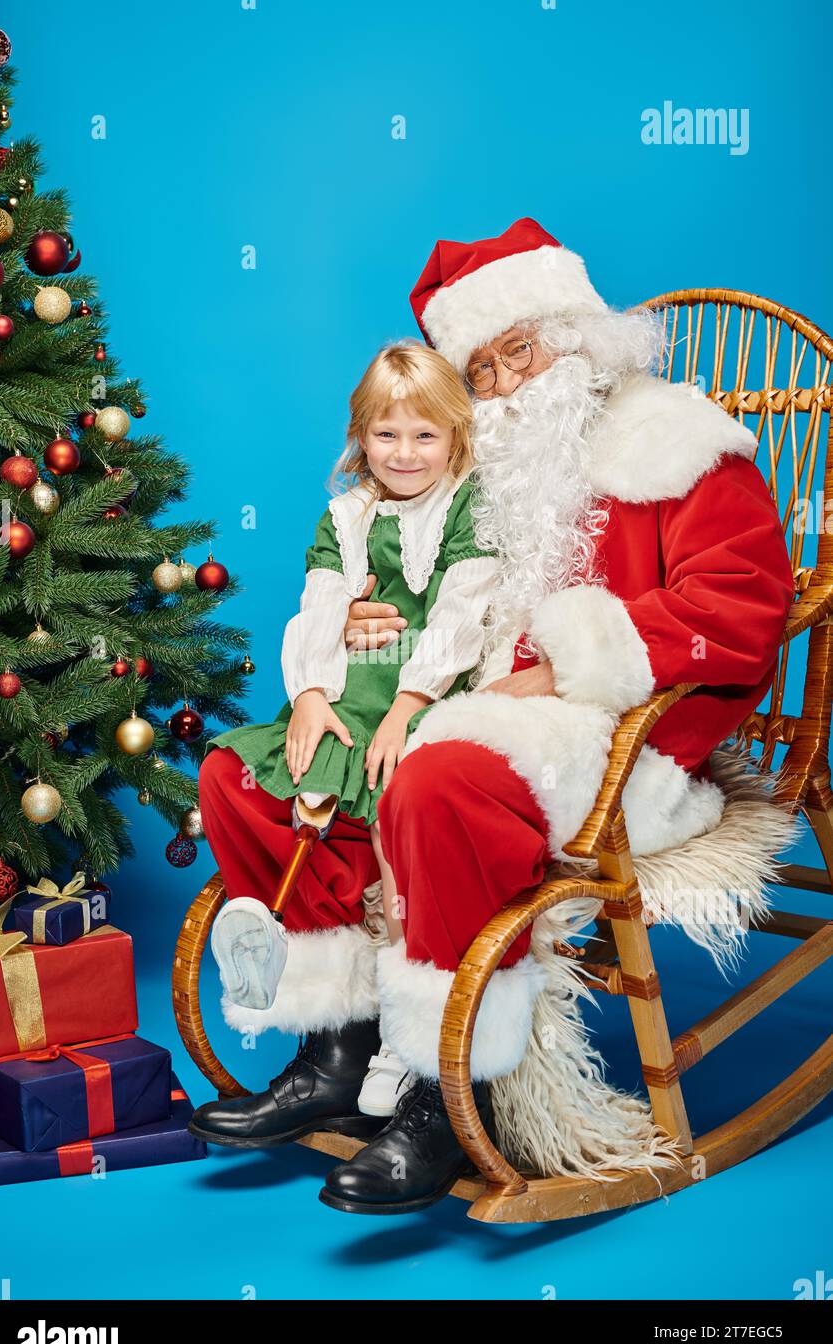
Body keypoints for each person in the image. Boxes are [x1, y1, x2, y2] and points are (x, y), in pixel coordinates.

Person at [192, 217, 795, 1215]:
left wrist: (565, 664)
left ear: (575, 334)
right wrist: (364, 629)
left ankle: (443, 1090)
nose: (508, 383)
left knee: (438, 779)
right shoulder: (470, 471)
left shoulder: (677, 442)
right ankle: (337, 1046)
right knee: (246, 777)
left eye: (520, 351)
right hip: (450, 702)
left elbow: (740, 610)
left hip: (612, 736)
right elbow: (430, 597)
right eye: (482, 368)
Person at [197, 340, 499, 1129]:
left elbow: (461, 615)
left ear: (456, 437)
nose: (404, 453)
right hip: (349, 693)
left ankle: (404, 1029)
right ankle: (324, 997)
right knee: (238, 776)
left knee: (398, 805)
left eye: (425, 435)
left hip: (427, 691)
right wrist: (308, 694)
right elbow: (322, 605)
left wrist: (408, 705)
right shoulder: (348, 515)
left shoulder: (467, 505)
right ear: (360, 435)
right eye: (386, 434)